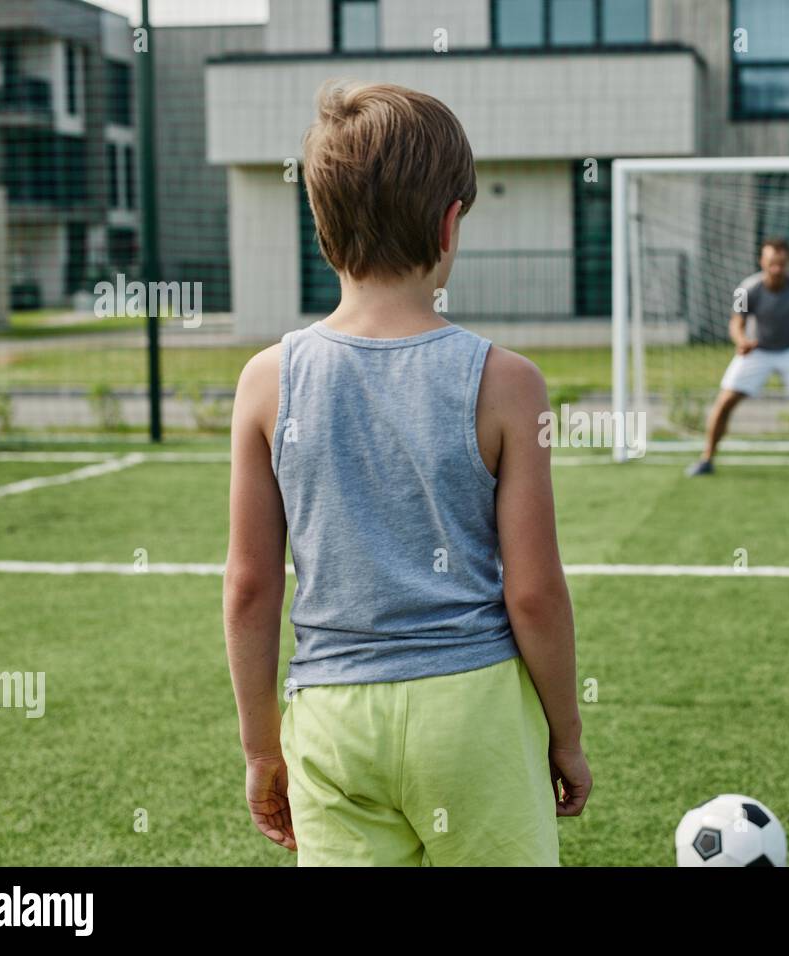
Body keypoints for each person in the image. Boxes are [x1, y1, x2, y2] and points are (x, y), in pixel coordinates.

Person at [222, 82, 591, 866]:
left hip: (329, 719)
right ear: (451, 222)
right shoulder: (508, 383)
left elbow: (251, 587)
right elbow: (533, 591)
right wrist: (566, 733)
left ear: (319, 224)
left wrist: (263, 749)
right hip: (474, 713)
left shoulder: (266, 380)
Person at [687, 238, 789, 482]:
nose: (776, 269)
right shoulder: (746, 288)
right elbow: (736, 322)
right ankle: (706, 458)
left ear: (788, 263)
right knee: (725, 401)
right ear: (762, 262)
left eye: (781, 264)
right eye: (771, 263)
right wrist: (741, 341)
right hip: (756, 350)